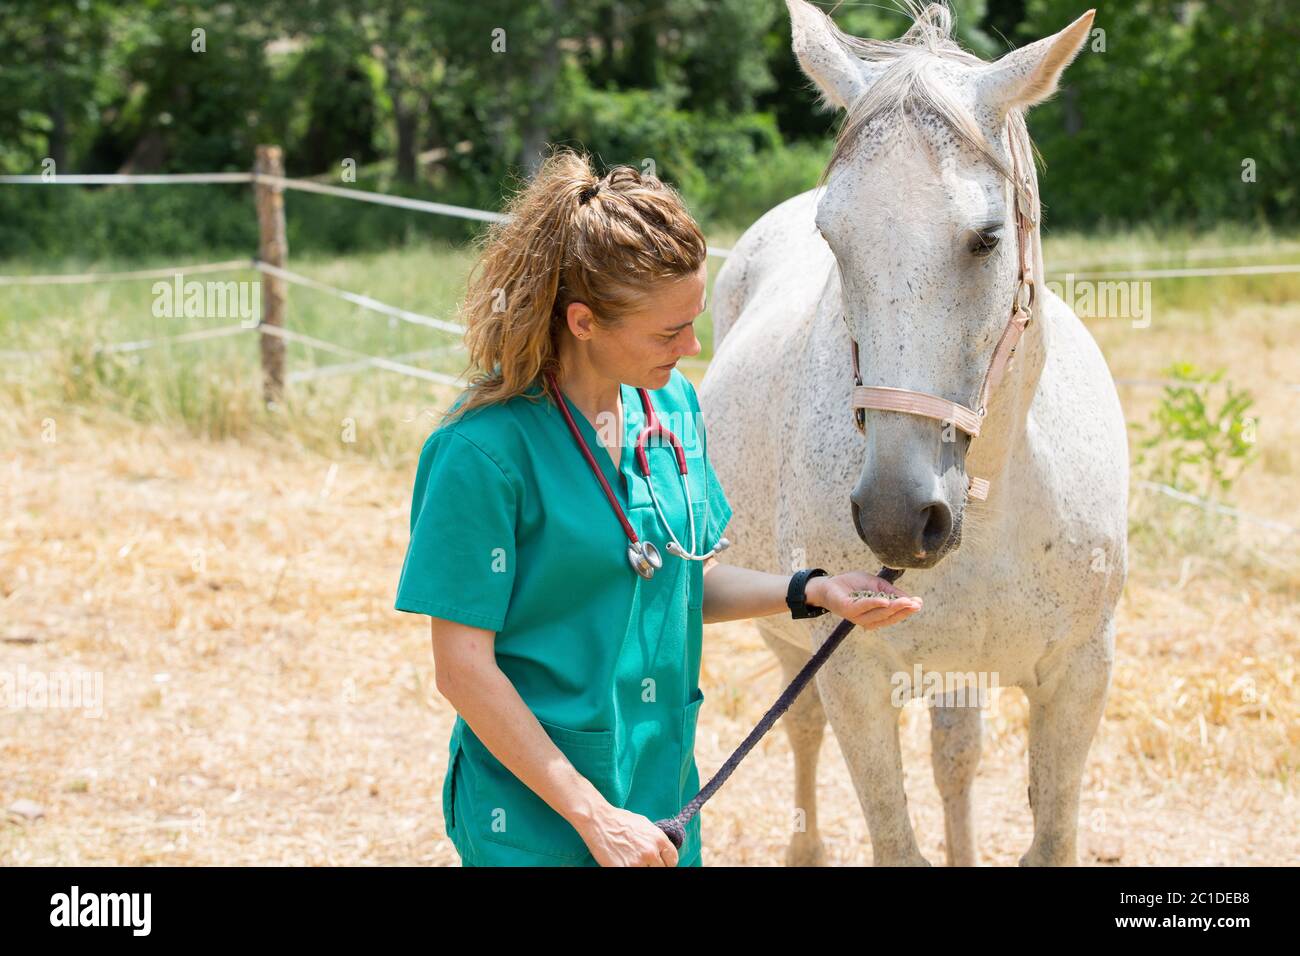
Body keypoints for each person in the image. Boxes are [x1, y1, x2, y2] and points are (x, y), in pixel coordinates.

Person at [394, 146, 922, 868]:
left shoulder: (671, 409)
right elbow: (462, 668)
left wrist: (812, 591)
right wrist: (593, 816)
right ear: (582, 322)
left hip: (658, 795)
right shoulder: (481, 453)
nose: (693, 345)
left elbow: (677, 581)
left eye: (694, 320)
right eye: (669, 332)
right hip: (536, 815)